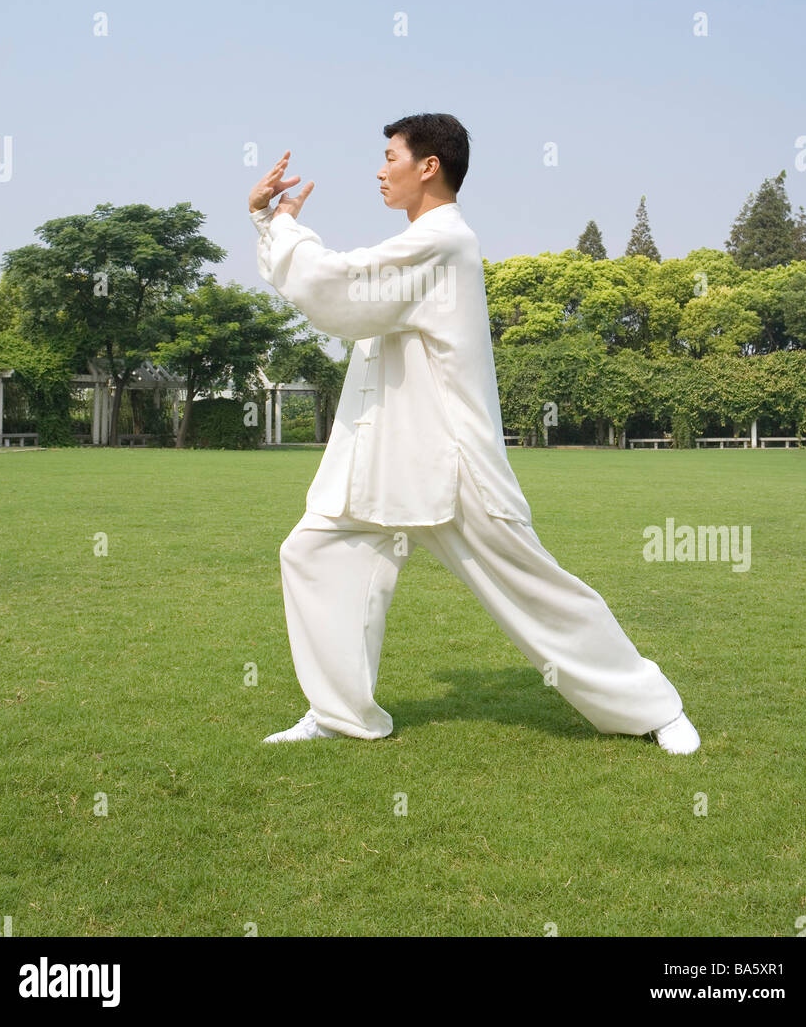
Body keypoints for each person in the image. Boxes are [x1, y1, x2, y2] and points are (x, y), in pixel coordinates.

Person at [247, 113, 700, 755]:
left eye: (390, 157)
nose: (380, 170)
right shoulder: (419, 245)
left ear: (428, 166)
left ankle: (653, 707)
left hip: (449, 462)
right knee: (314, 553)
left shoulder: (444, 241)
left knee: (531, 585)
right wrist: (270, 222)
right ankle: (343, 714)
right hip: (378, 460)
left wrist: (281, 222)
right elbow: (351, 301)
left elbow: (339, 288)